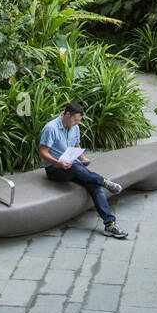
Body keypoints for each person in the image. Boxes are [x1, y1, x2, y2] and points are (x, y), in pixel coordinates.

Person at [39, 102, 128, 239]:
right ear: (67, 114)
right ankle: (105, 181)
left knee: (94, 185)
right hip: (54, 168)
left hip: (72, 165)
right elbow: (43, 152)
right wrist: (59, 163)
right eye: (75, 120)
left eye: (78, 121)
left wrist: (83, 158)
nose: (76, 123)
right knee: (76, 168)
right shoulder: (51, 128)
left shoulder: (75, 127)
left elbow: (76, 145)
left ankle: (110, 225)